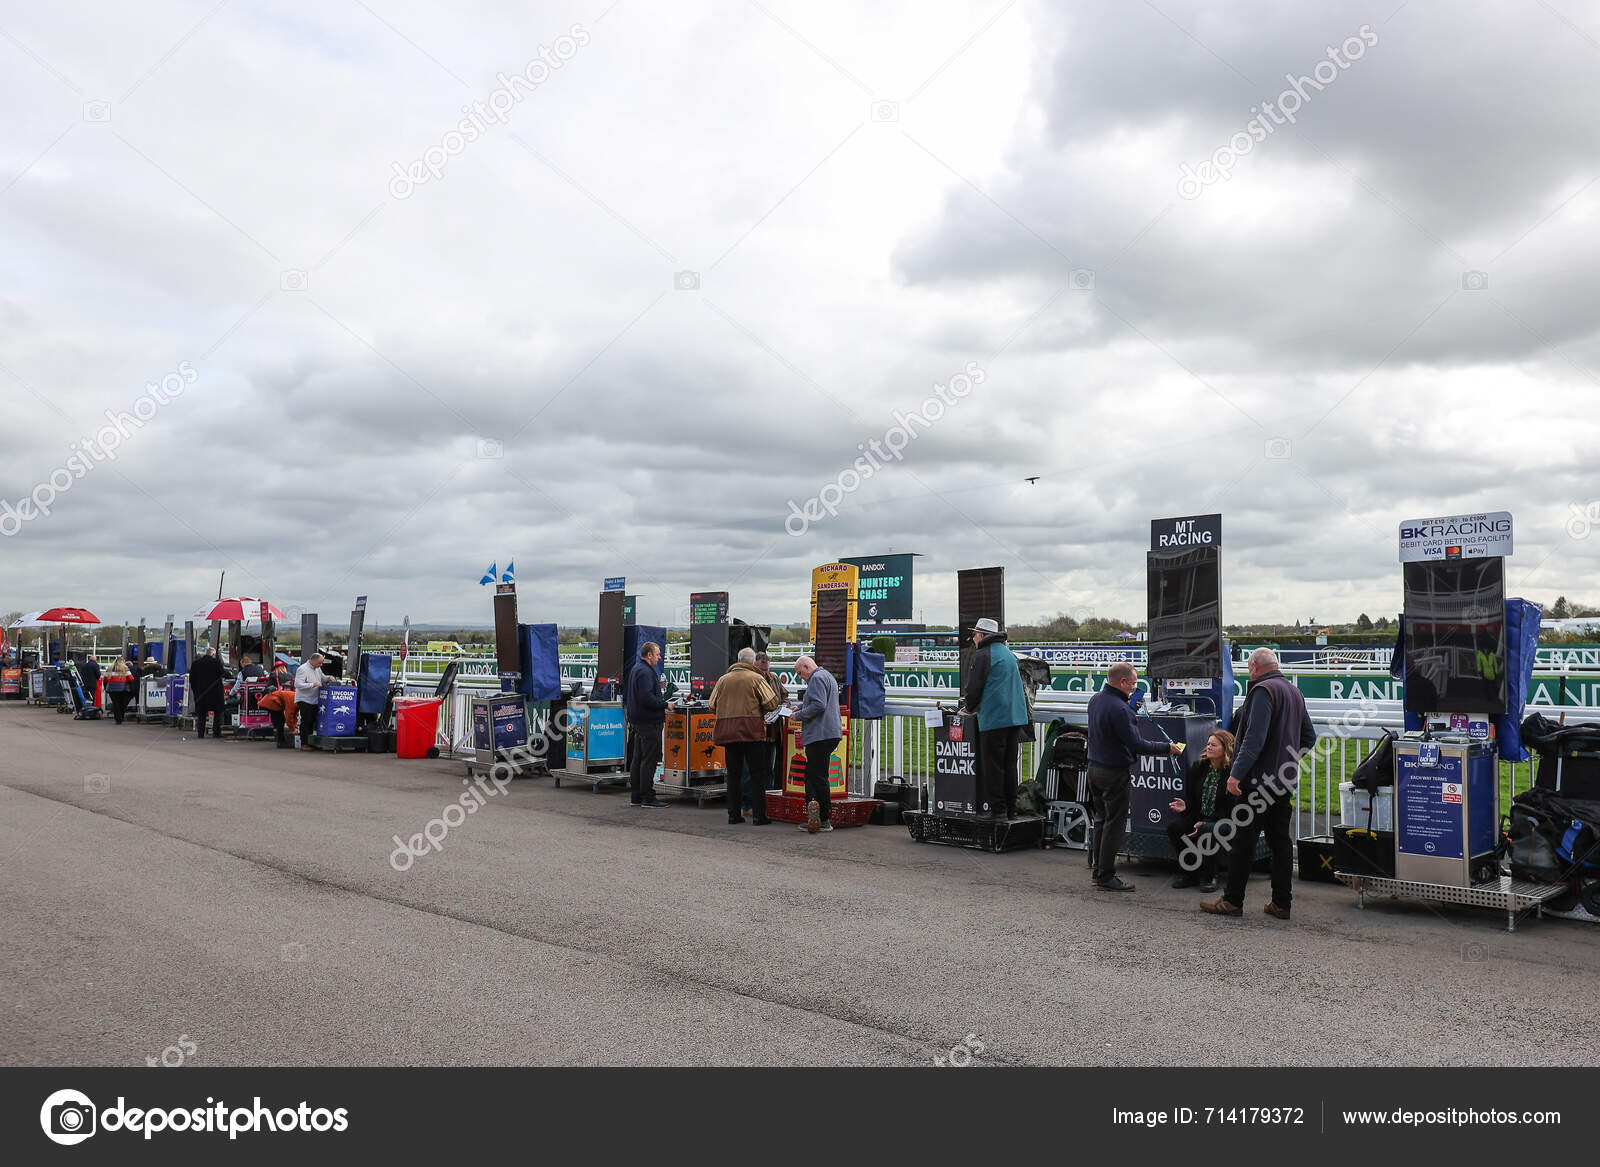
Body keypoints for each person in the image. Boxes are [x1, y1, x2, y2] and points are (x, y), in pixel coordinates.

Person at [1203, 649, 1317, 920]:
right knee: (1280, 843)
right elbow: (1309, 737)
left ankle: (1232, 901)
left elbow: (1254, 739)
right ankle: (1281, 903)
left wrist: (1236, 775)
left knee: (1244, 842)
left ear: (1254, 666)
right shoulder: (1294, 692)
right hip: (1283, 781)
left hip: (1257, 783)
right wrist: (1286, 759)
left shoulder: (1262, 691)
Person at [1085, 662, 1184, 892]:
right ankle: (1106, 876)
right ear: (1122, 682)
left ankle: (1098, 872)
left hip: (1094, 769)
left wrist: (1130, 709)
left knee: (1101, 820)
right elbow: (1136, 743)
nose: (1134, 687)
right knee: (1114, 825)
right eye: (1133, 683)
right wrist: (1166, 748)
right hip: (1114, 772)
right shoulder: (1120, 709)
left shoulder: (1096, 700)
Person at [962, 617, 1029, 820]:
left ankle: (997, 811)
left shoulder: (983, 654)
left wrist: (968, 707)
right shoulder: (1008, 654)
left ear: (982, 635)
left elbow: (973, 689)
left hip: (995, 719)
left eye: (974, 634)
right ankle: (1011, 811)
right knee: (1009, 766)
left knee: (993, 767)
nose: (973, 638)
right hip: (1015, 717)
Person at [708, 647, 780, 825]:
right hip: (751, 732)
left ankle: (733, 815)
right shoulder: (756, 678)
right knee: (757, 774)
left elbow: (711, 705)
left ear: (738, 660)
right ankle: (759, 816)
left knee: (733, 775)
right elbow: (772, 703)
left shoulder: (723, 679)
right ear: (752, 661)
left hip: (729, 733)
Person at [1167, 729, 1237, 891]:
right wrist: (1186, 807)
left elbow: (1231, 808)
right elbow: (1191, 798)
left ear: (1225, 749)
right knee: (1175, 827)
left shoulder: (1232, 772)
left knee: (1207, 829)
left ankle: (1210, 876)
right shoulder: (1199, 767)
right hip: (1201, 816)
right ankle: (1190, 873)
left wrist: (1205, 823)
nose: (1209, 748)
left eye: (1214, 745)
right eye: (1208, 744)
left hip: (1225, 820)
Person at [792, 654, 842, 834]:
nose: (800, 677)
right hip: (830, 733)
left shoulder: (816, 678)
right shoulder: (827, 676)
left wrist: (798, 715)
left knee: (815, 777)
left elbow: (819, 705)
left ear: (806, 667)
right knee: (817, 775)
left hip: (819, 735)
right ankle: (821, 817)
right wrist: (801, 706)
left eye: (799, 673)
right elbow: (820, 702)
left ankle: (821, 818)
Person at [623, 641, 669, 808]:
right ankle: (648, 797)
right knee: (648, 760)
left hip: (637, 721)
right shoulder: (646, 672)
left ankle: (636, 796)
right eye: (657, 654)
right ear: (649, 655)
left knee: (638, 758)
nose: (659, 657)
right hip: (649, 722)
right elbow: (647, 698)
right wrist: (665, 704)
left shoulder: (637, 669)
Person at [753, 651, 787, 809]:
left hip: (773, 733)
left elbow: (785, 695)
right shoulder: (752, 679)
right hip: (757, 734)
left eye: (766, 669)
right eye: (762, 669)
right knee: (756, 770)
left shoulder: (774, 678)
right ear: (755, 665)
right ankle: (757, 801)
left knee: (770, 769)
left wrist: (783, 706)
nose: (764, 673)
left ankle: (770, 800)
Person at [294, 652, 333, 750]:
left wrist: (329, 677)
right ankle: (304, 744)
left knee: (313, 722)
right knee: (306, 722)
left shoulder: (317, 668)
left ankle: (311, 742)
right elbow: (298, 684)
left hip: (315, 699)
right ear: (313, 660)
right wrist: (313, 684)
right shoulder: (302, 669)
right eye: (319, 663)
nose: (321, 665)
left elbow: (323, 678)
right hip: (305, 699)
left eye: (321, 663)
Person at [188, 647, 226, 739]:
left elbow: (191, 679)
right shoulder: (216, 663)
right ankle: (216, 733)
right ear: (213, 654)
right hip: (215, 694)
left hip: (201, 694)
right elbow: (224, 674)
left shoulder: (196, 664)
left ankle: (200, 734)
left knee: (201, 714)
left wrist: (196, 691)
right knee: (218, 712)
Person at [104, 657, 137, 724]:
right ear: (123, 661)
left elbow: (105, 679)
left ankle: (118, 719)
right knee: (122, 704)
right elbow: (131, 679)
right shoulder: (125, 668)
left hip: (111, 689)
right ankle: (121, 717)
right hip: (123, 689)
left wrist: (105, 688)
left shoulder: (109, 668)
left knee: (115, 703)